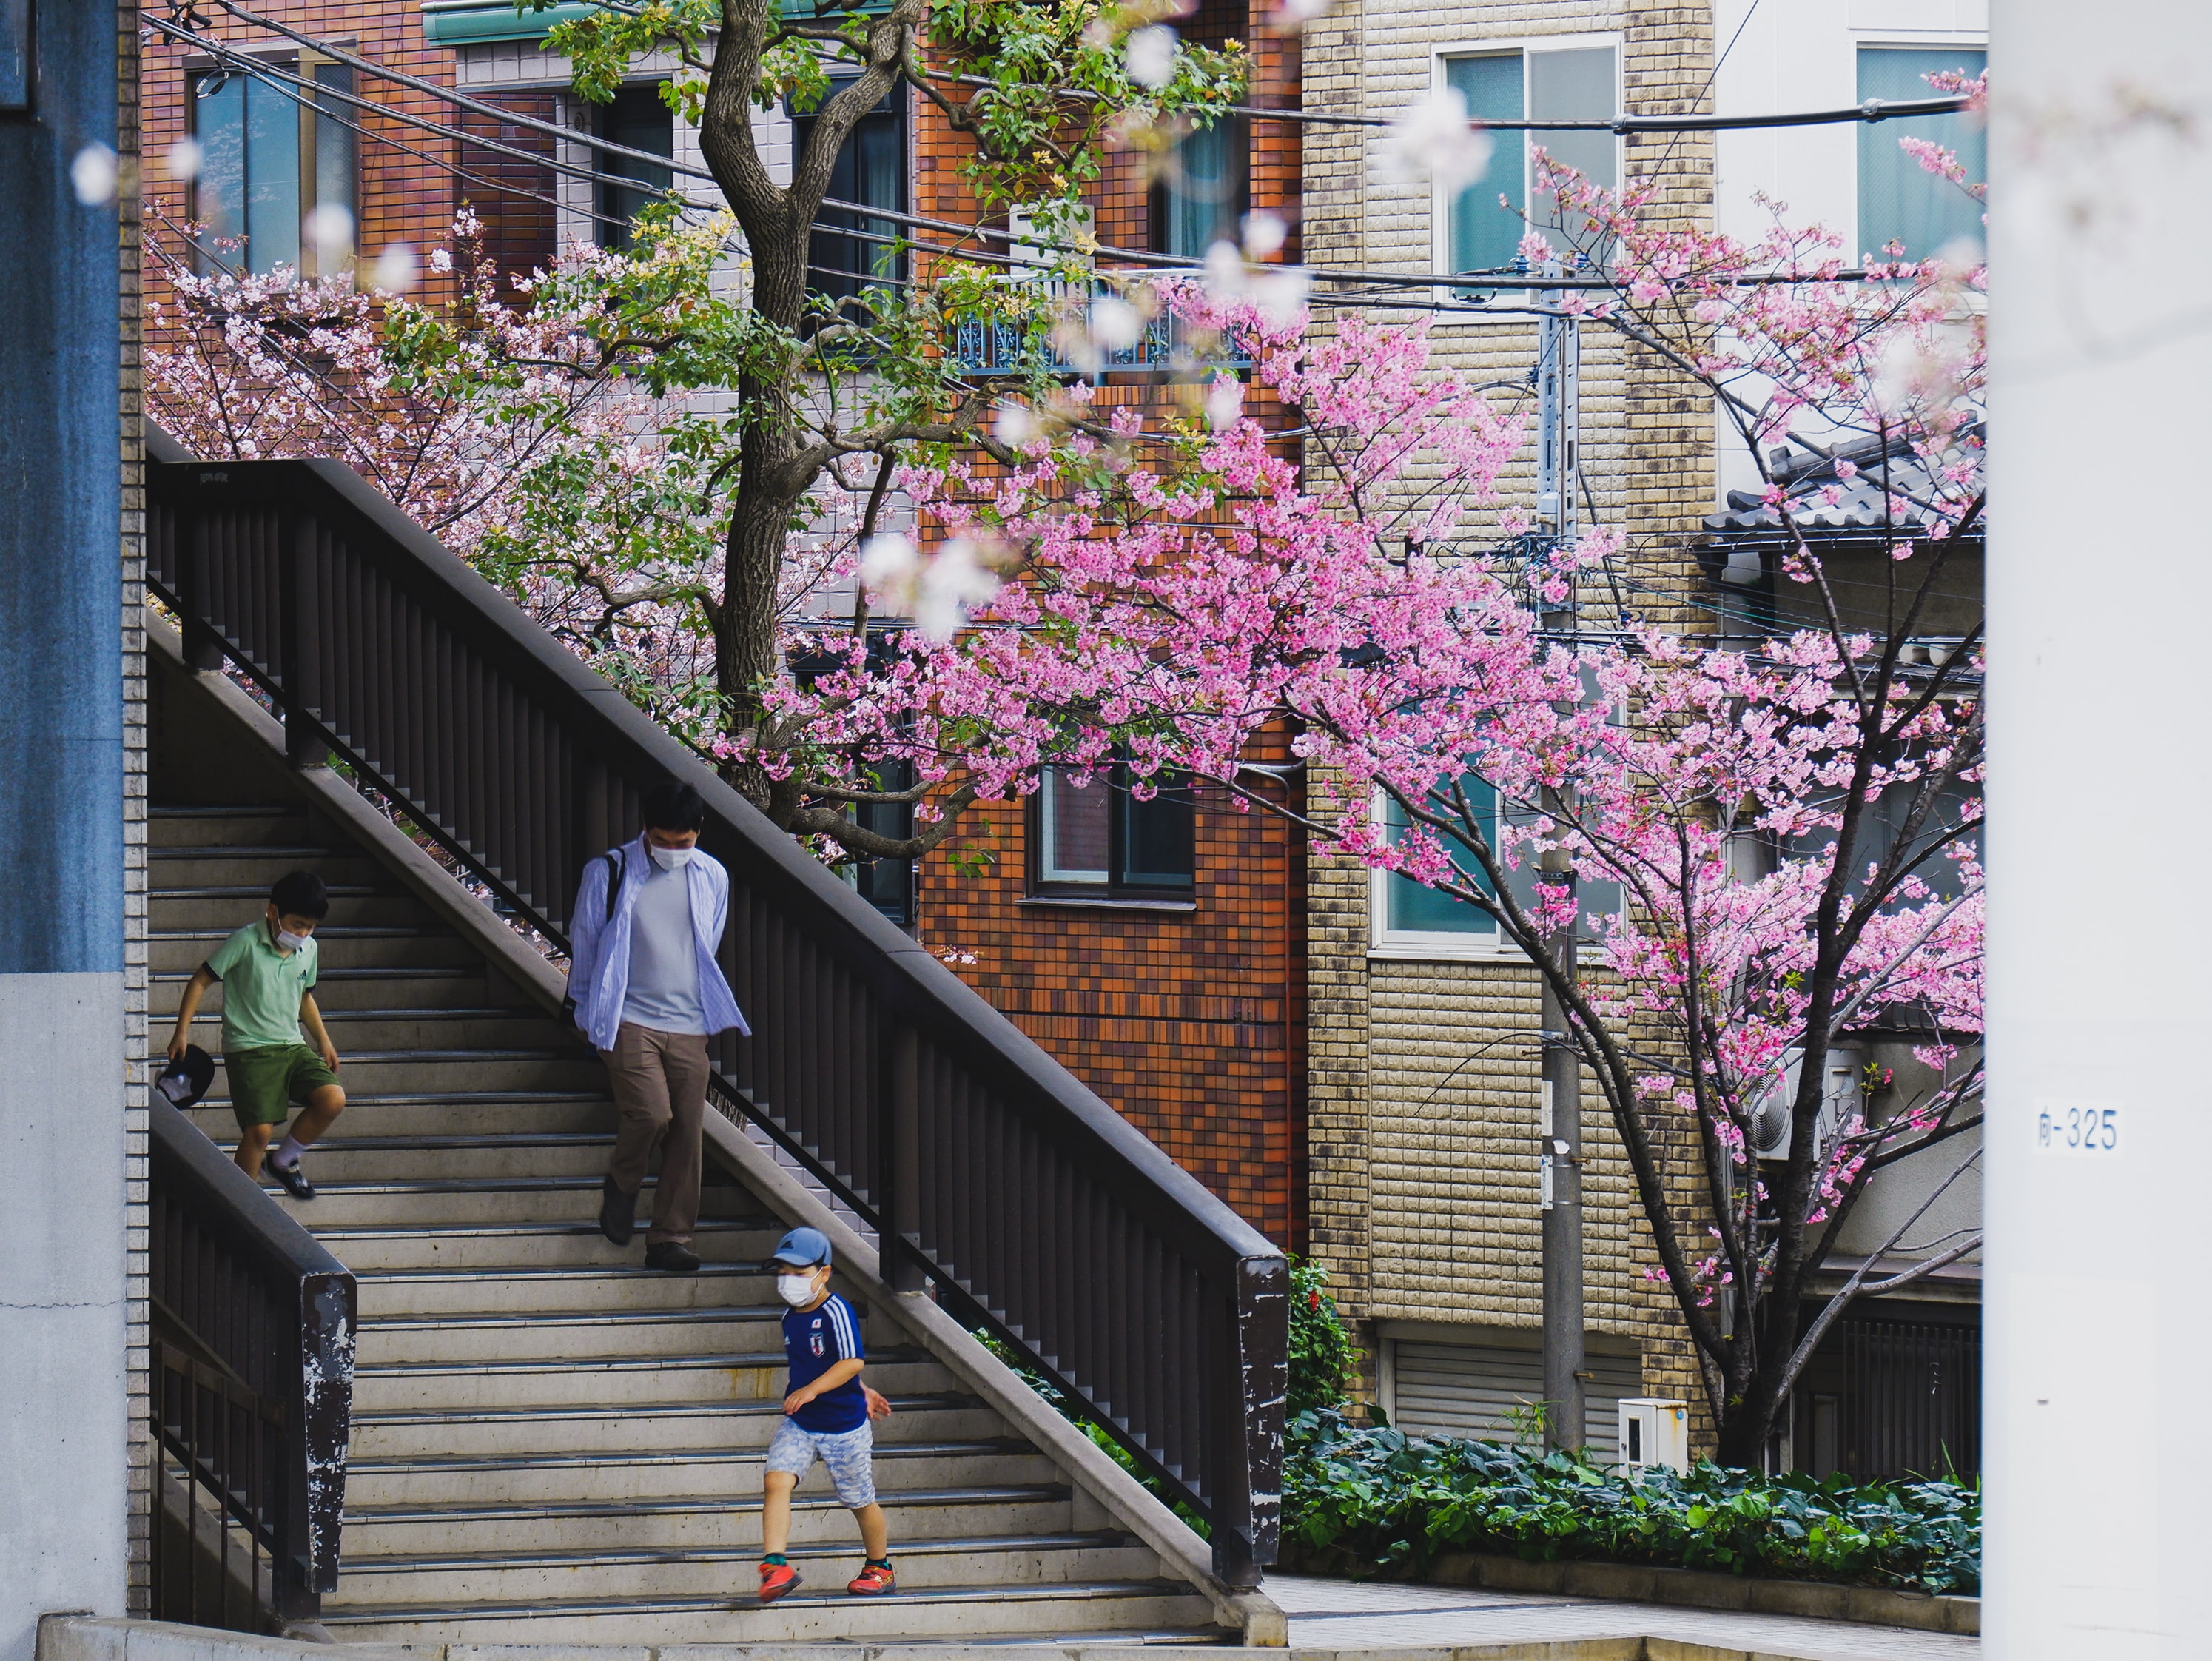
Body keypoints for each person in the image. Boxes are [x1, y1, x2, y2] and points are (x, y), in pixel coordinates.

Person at [567, 779, 750, 1273]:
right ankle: (623, 1185)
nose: (672, 851)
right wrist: (587, 1014)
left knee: (687, 1131)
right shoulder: (610, 871)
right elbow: (585, 943)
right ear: (645, 830)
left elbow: (706, 946)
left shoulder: (712, 874)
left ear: (698, 832)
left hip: (689, 1021)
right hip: (628, 1017)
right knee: (651, 1115)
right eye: (662, 841)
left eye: (683, 842)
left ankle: (670, 1236)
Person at [167, 870, 345, 1198]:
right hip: (249, 1050)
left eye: (310, 927)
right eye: (296, 925)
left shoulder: (310, 950)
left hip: (292, 1046)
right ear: (272, 911)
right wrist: (181, 1032)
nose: (302, 933)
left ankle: (283, 1161)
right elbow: (200, 980)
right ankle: (241, 1209)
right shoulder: (245, 942)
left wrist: (324, 1041)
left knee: (332, 1099)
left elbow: (304, 997)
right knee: (259, 1131)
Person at [757, 1227, 896, 1602]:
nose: (789, 1281)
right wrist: (859, 1389)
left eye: (799, 1274)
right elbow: (822, 1364)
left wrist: (822, 1390)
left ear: (824, 1273)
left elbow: (852, 1360)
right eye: (782, 1273)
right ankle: (775, 1565)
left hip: (843, 1428)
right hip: (802, 1422)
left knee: (859, 1499)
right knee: (776, 1481)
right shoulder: (790, 1317)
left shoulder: (836, 1311)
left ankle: (879, 1567)